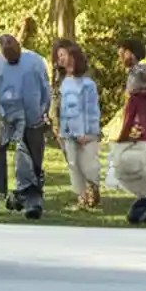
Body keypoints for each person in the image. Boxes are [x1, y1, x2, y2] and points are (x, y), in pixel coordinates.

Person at [0, 34, 51, 218]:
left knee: (32, 153)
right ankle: (5, 192)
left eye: (14, 53)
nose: (11, 59)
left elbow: (45, 87)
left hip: (32, 115)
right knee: (3, 151)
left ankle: (31, 193)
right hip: (7, 115)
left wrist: (43, 109)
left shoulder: (34, 61)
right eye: (7, 56)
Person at [55, 40, 102, 209]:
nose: (60, 58)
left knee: (88, 164)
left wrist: (88, 133)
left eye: (63, 55)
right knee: (73, 164)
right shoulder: (63, 82)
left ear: (73, 57)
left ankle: (93, 192)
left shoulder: (87, 84)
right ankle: (81, 197)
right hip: (68, 132)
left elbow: (91, 110)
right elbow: (64, 109)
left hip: (86, 132)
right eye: (58, 55)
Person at [112, 62, 146, 201]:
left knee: (120, 169)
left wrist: (120, 141)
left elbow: (128, 123)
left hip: (142, 143)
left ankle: (145, 196)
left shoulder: (134, 100)